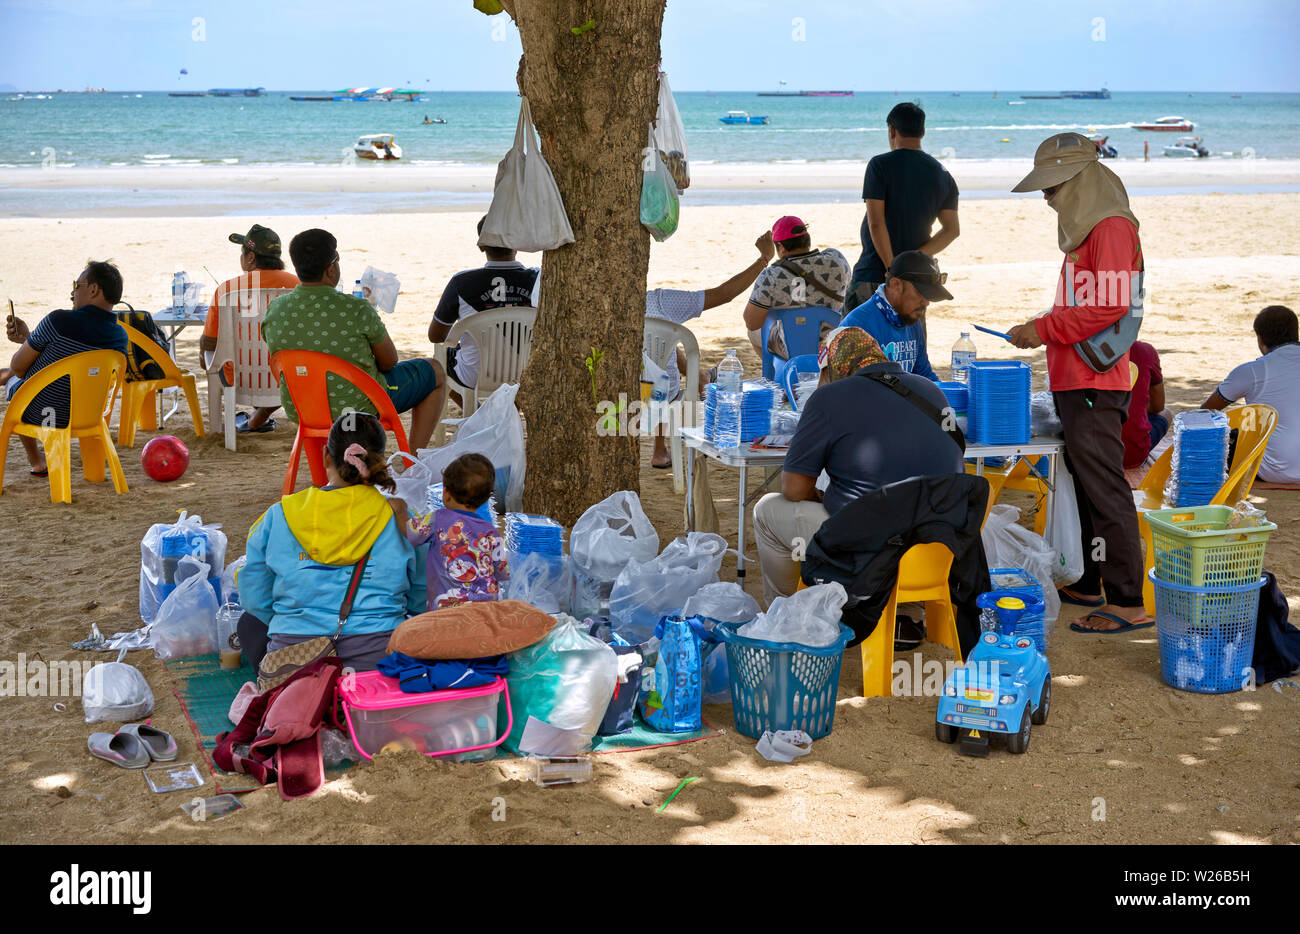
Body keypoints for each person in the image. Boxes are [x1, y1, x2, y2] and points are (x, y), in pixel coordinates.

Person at [1007, 132, 1151, 633]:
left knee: (1105, 488)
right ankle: (1090, 581)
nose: (1046, 198)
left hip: (1093, 380)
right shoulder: (1092, 225)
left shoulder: (1109, 225)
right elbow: (1088, 303)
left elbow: (1109, 305)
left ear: (1076, 180)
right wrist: (1044, 325)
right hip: (1079, 376)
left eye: (1050, 188)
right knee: (1089, 484)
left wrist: (1042, 328)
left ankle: (1128, 599)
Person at [752, 327, 964, 603]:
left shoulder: (829, 397)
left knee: (767, 511)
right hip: (934, 550)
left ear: (833, 366)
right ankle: (905, 615)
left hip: (869, 555)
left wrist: (819, 497)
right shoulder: (930, 390)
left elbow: (793, 489)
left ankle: (785, 610)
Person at [238, 412, 424, 672]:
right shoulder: (401, 518)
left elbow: (254, 593)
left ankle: (298, 688)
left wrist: (293, 623)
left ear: (326, 455)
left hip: (295, 659)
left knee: (248, 623)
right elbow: (422, 595)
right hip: (378, 662)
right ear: (380, 460)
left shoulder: (279, 515)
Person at [264, 228, 446, 450]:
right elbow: (389, 361)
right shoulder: (356, 308)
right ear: (331, 269)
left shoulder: (276, 310)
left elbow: (279, 357)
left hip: (302, 407)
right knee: (435, 371)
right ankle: (414, 457)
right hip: (359, 406)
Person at [645, 230, 776, 466]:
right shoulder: (658, 301)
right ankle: (660, 447)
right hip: (659, 389)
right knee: (659, 362)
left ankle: (700, 376)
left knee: (657, 349)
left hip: (620, 387)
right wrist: (764, 260)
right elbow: (723, 294)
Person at [2, 261, 130, 476]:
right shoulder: (119, 337)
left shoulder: (58, 320)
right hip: (89, 415)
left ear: (93, 289)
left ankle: (37, 461)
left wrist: (28, 342)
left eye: (76, 285)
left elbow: (18, 367)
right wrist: (29, 338)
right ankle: (93, 471)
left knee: (16, 385)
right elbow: (74, 359)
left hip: (46, 414)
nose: (72, 292)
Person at [844, 102, 960, 312]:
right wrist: (913, 260)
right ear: (922, 132)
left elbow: (877, 223)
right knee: (908, 343)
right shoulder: (942, 175)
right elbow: (952, 230)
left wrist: (893, 269)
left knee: (854, 342)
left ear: (892, 130)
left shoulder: (880, 165)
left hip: (874, 274)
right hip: (917, 281)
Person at [199, 224, 299, 433]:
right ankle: (261, 413)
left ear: (251, 257)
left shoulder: (227, 289)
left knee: (210, 355)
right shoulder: (298, 285)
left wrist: (202, 353)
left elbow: (210, 341)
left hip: (238, 378)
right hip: (288, 377)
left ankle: (252, 417)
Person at [428, 216, 539, 402]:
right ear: (517, 243)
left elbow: (435, 336)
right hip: (525, 373)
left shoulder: (461, 283)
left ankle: (477, 413)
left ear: (481, 246)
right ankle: (507, 411)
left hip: (474, 377)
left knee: (439, 361)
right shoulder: (538, 278)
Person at [1202, 305, 1300, 484]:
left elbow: (1205, 412)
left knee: (1236, 427)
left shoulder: (1252, 371)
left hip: (1272, 471)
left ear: (1260, 339)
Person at [406, 453, 509, 610]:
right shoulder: (491, 532)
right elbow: (502, 573)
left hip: (446, 609)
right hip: (486, 609)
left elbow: (410, 534)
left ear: (446, 493)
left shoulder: (437, 519)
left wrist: (400, 511)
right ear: (486, 498)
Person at [742, 215, 850, 356]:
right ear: (807, 240)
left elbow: (752, 323)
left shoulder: (771, 276)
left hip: (791, 348)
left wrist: (765, 256)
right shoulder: (837, 260)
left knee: (753, 333)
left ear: (780, 247)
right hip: (833, 344)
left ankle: (777, 372)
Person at [839, 250, 951, 380]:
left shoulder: (912, 319)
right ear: (895, 284)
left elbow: (924, 375)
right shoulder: (857, 328)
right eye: (920, 293)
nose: (926, 302)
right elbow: (854, 390)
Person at [1123, 340, 1168, 469]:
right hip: (1131, 454)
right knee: (1166, 413)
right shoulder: (1144, 351)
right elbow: (1158, 406)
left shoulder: (1078, 349)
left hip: (1085, 454)